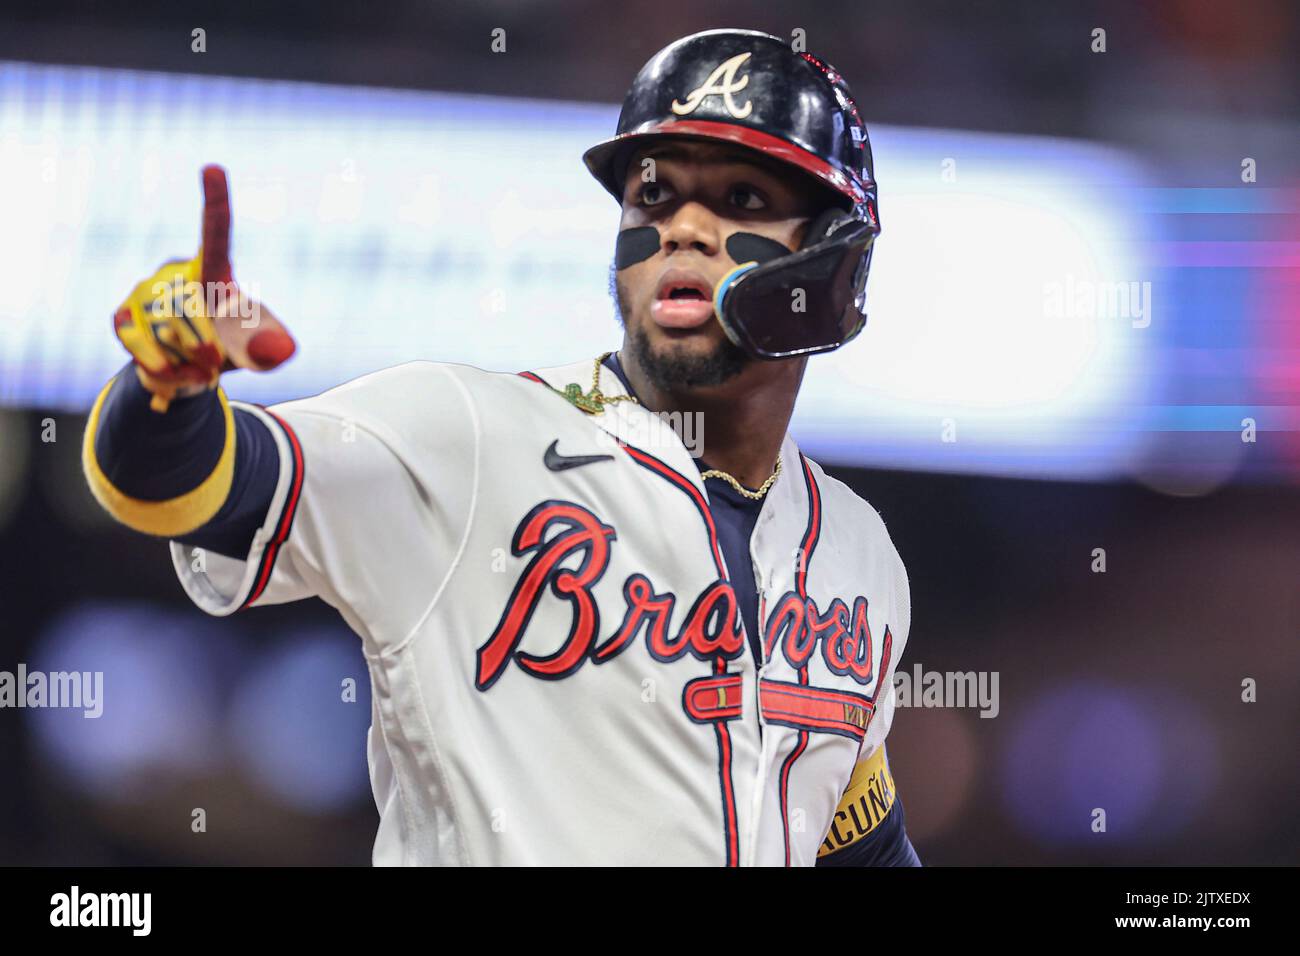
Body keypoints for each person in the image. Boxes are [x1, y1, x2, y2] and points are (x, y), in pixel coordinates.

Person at [83, 27, 919, 866]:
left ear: (834, 262)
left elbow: (863, 843)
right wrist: (165, 389)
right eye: (654, 198)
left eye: (741, 200)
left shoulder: (860, 552)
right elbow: (187, 481)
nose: (682, 230)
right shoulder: (468, 434)